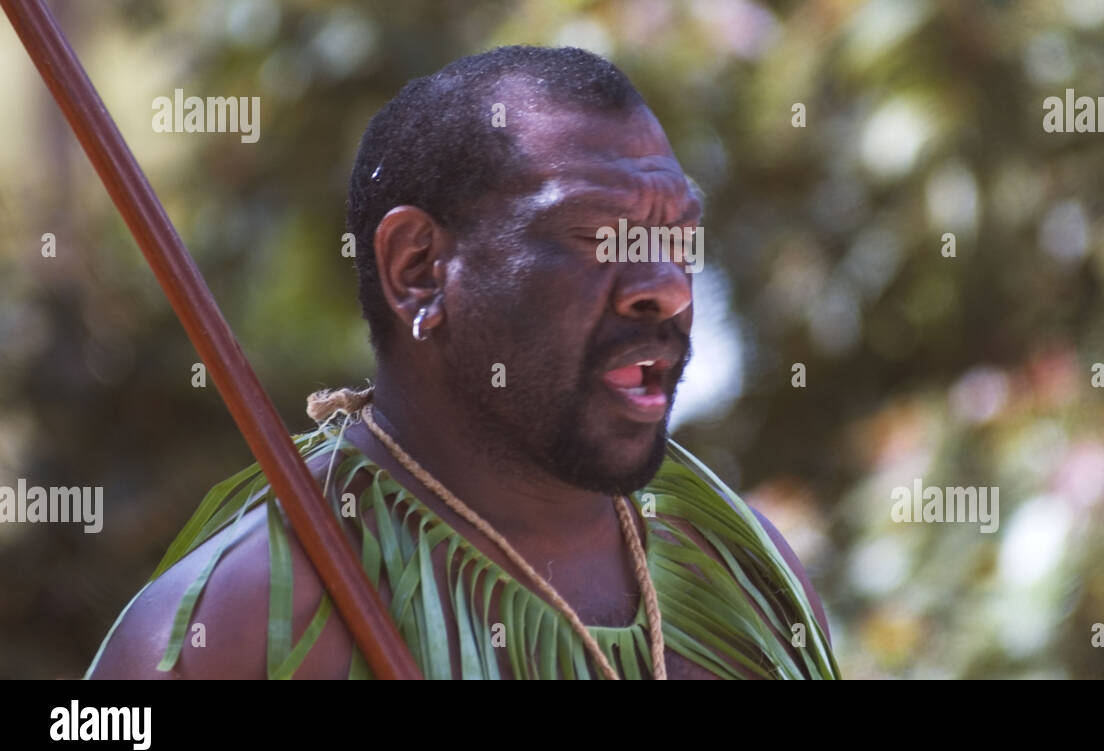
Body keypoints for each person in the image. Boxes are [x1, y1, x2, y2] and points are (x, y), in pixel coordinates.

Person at [86, 45, 839, 680]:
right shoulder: (240, 626)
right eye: (597, 234)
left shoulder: (743, 569)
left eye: (678, 236)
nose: (667, 288)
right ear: (419, 268)